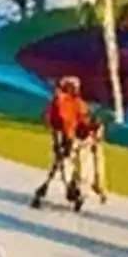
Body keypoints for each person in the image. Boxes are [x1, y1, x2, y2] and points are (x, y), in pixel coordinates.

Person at [31, 76, 88, 210]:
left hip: (70, 138)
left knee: (64, 166)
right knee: (61, 165)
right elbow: (53, 121)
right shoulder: (61, 101)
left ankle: (68, 190)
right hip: (63, 137)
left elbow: (82, 122)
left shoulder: (76, 103)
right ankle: (66, 191)